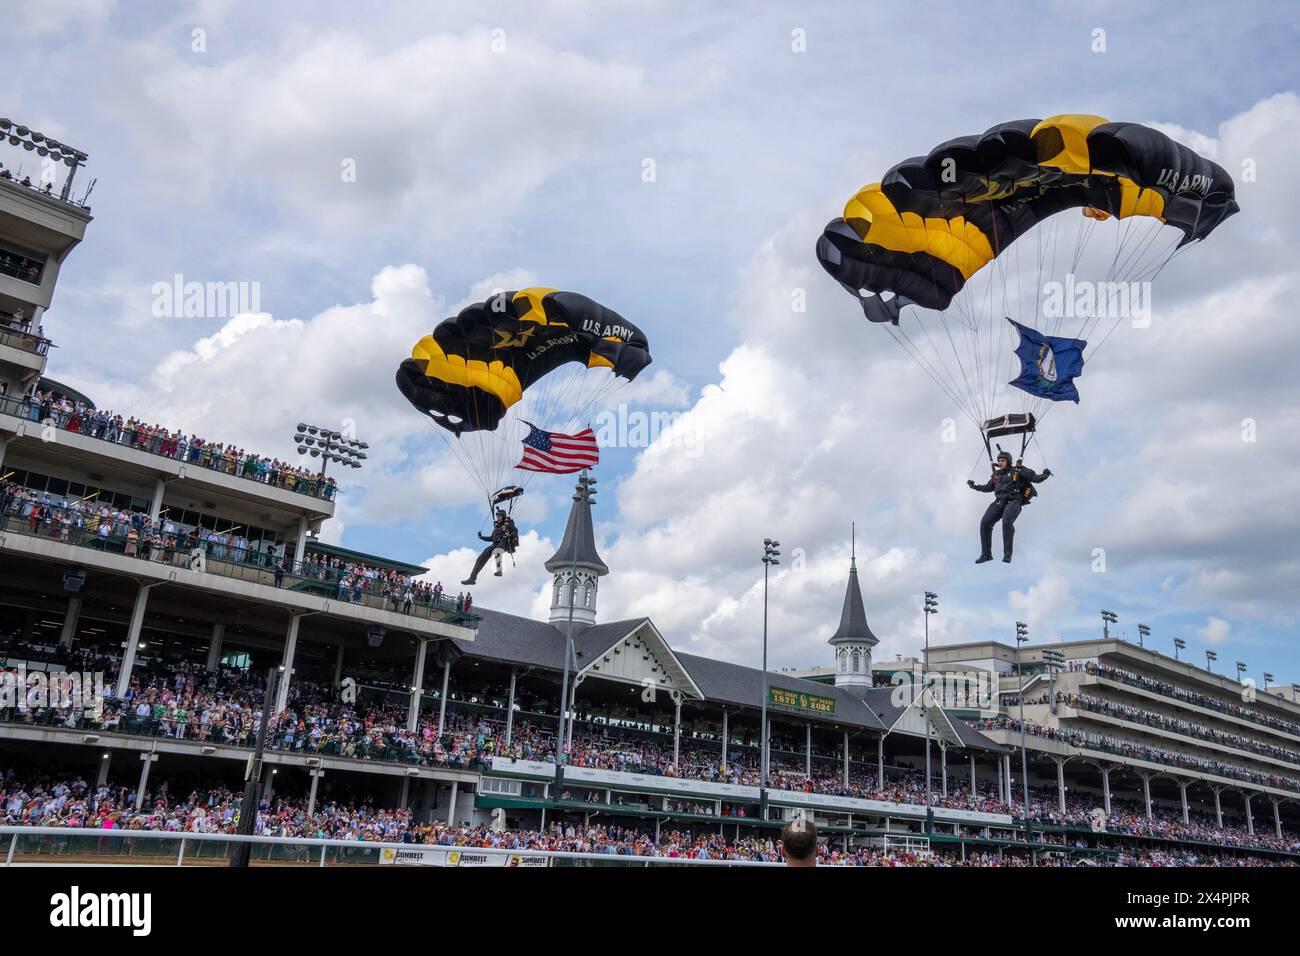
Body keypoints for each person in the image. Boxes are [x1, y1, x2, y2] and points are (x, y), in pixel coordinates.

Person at [967, 452, 1051, 564]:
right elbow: (988, 487)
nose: (1000, 463)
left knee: (1006, 520)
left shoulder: (1017, 470)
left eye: (1003, 460)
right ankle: (986, 554)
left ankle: (1007, 554)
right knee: (985, 522)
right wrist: (974, 486)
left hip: (1013, 502)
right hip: (999, 502)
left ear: (1008, 462)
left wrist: (1044, 476)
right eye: (999, 461)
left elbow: (1034, 478)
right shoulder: (996, 475)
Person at [461, 509, 519, 585]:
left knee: (497, 551)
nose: (498, 518)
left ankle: (499, 571)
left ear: (503, 516)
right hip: (495, 544)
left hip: (504, 542)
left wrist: (513, 538)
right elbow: (492, 538)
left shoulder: (509, 523)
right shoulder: (496, 526)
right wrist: (482, 537)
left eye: (499, 516)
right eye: (497, 516)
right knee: (481, 558)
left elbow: (515, 531)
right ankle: (472, 579)